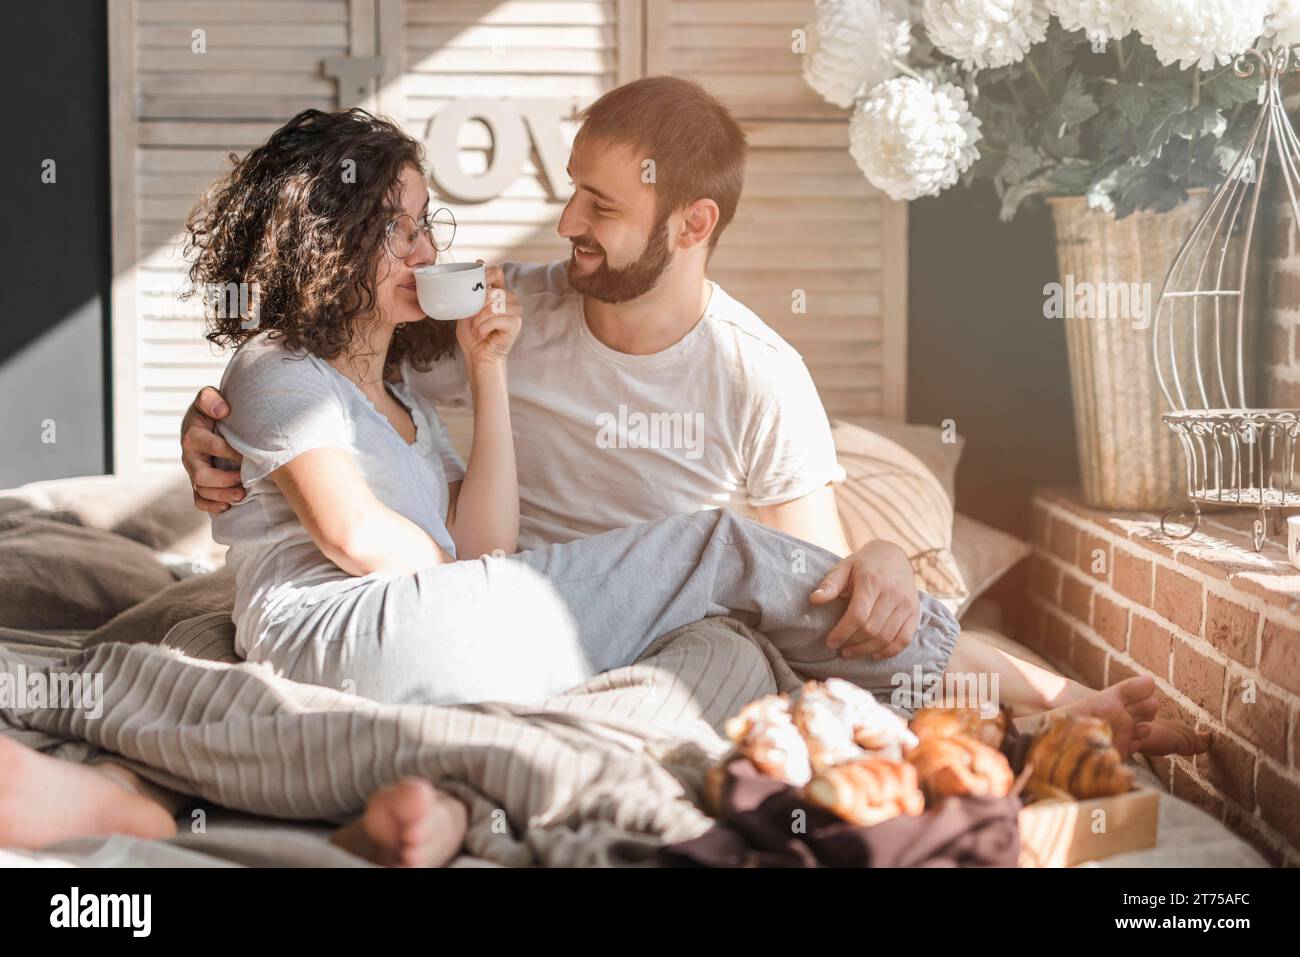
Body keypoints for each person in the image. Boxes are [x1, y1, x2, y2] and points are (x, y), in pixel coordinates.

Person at [179, 77, 1206, 757]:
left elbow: (816, 590)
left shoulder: (758, 375)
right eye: (571, 196)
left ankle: (1029, 703)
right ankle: (1048, 701)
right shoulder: (496, 312)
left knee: (734, 634)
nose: (567, 226)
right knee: (720, 572)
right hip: (489, 612)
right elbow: (311, 379)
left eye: (599, 208)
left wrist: (889, 555)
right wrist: (213, 428)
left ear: (690, 223)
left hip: (636, 621)